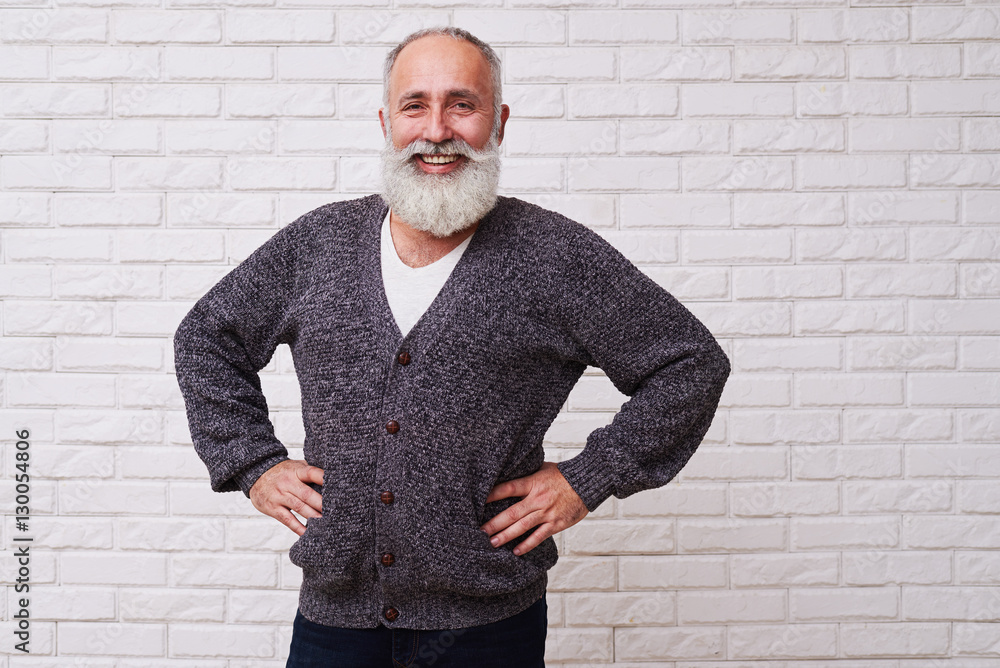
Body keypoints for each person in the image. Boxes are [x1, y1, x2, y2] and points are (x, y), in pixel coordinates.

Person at [173, 26, 730, 668]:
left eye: (462, 105)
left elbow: (689, 363)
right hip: (335, 620)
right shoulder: (319, 244)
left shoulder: (553, 255)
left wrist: (588, 478)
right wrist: (251, 463)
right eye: (416, 105)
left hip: (487, 628)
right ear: (387, 121)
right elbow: (208, 337)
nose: (436, 129)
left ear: (499, 122)